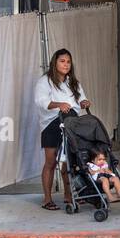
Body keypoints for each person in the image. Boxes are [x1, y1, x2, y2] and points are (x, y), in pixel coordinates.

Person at [34, 48, 91, 211]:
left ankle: (68, 195)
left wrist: (84, 103)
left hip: (72, 122)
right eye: (62, 61)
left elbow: (81, 98)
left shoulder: (73, 82)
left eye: (68, 61)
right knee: (51, 162)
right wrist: (59, 105)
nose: (66, 64)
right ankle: (47, 199)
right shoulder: (44, 81)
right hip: (52, 122)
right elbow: (41, 101)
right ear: (55, 62)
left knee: (69, 161)